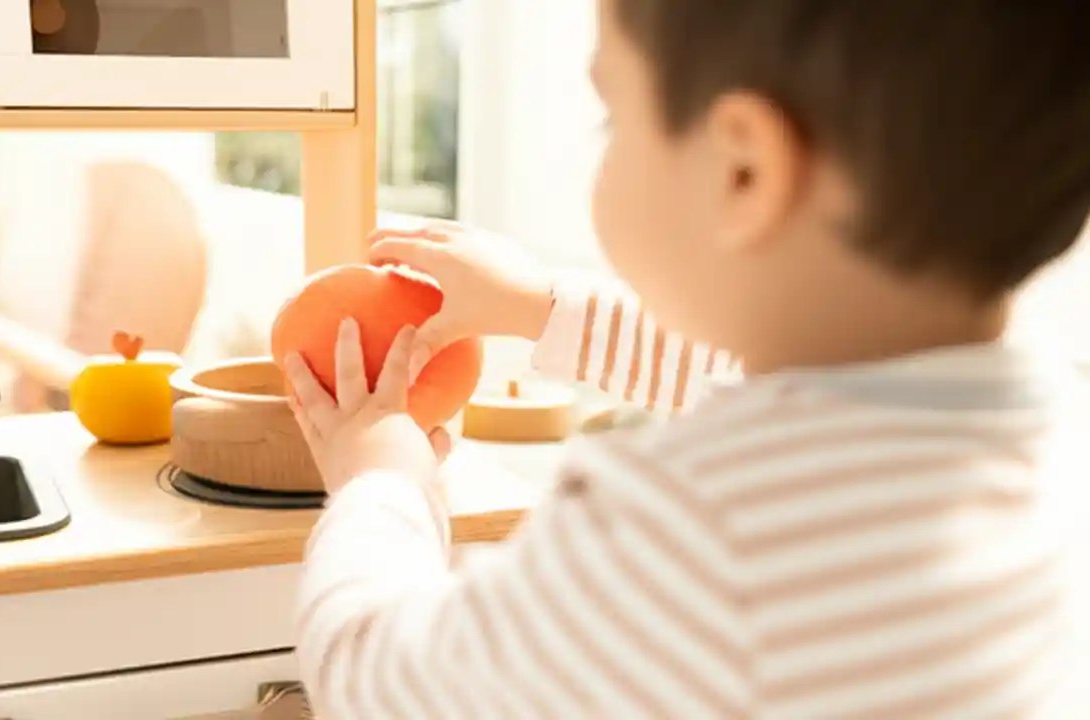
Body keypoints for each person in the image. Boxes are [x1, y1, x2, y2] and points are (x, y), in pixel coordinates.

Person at [281, 0, 1090, 716]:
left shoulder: (695, 526)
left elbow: (381, 685)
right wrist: (543, 308)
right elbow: (735, 376)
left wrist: (379, 484)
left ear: (745, 170)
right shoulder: (1042, 419)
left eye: (613, 119)